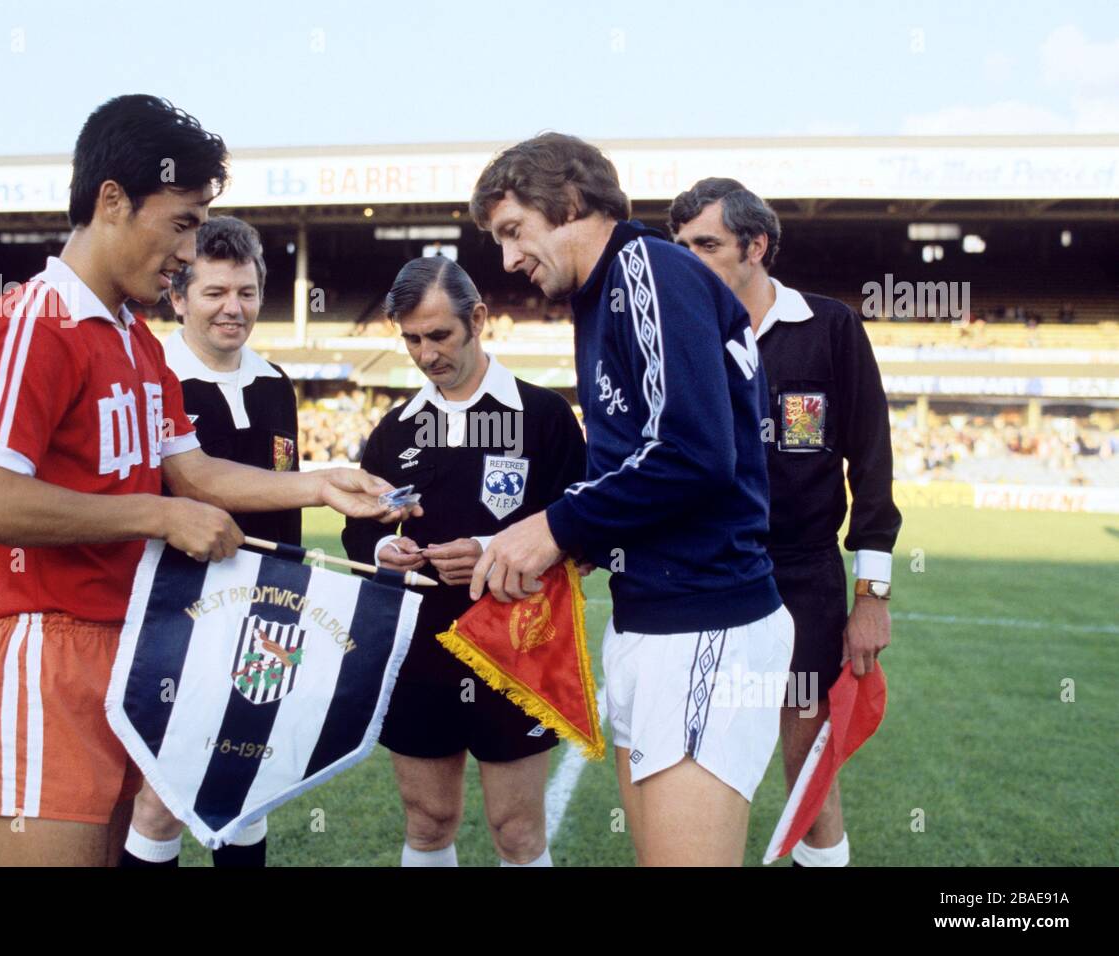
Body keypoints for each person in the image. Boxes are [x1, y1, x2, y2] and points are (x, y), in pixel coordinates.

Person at [0, 95, 413, 867]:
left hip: (128, 650)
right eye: (183, 221)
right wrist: (158, 519)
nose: (190, 251)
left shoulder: (134, 339)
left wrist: (321, 484)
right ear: (112, 201)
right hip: (48, 654)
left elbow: (192, 472)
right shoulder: (38, 324)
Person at [468, 133, 792, 866]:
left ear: (572, 201)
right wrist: (553, 544)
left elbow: (692, 452)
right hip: (654, 619)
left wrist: (554, 526)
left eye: (514, 231)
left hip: (705, 619)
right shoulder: (604, 296)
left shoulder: (644, 267)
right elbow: (635, 464)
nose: (509, 259)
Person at [669, 177, 901, 867]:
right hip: (706, 574)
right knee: (703, 761)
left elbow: (874, 462)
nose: (688, 259)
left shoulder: (829, 328)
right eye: (679, 247)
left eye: (705, 244)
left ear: (757, 245)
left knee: (809, 769)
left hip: (803, 577)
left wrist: (872, 597)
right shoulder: (679, 335)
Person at [342, 256, 586, 867]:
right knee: (428, 822)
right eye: (411, 340)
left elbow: (586, 534)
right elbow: (356, 532)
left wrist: (491, 552)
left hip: (518, 649)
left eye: (440, 335)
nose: (426, 355)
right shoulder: (396, 429)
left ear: (477, 319)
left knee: (516, 830)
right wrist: (382, 551)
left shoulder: (545, 419)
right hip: (419, 652)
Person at [119, 215, 297, 868]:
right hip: (171, 619)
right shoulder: (150, 377)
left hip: (265, 620)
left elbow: (285, 505)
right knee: (161, 796)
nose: (234, 308)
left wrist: (290, 606)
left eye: (246, 292)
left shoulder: (276, 381)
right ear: (179, 297)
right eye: (216, 292)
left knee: (244, 788)